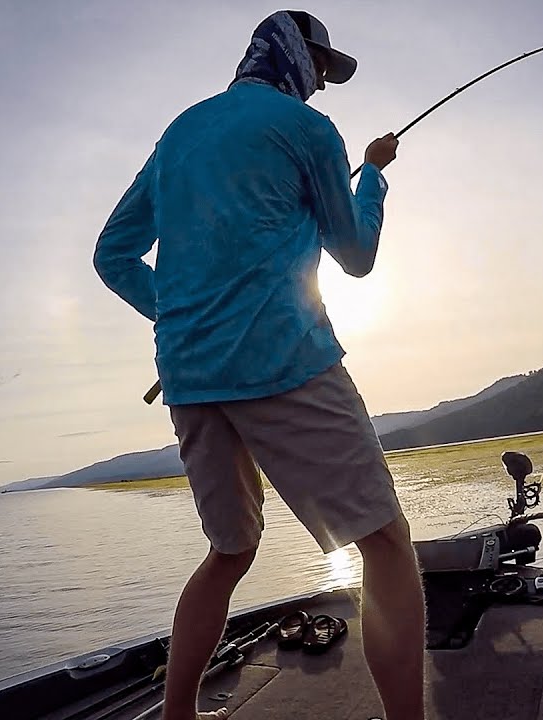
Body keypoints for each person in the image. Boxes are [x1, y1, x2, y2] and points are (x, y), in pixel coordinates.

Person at [92, 10, 424, 720]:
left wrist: (179, 315)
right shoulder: (310, 131)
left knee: (230, 551)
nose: (323, 87)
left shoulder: (180, 132)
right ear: (298, 60)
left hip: (190, 382)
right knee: (387, 542)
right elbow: (357, 257)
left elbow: (111, 255)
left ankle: (176, 716)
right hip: (286, 364)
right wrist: (374, 178)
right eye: (323, 71)